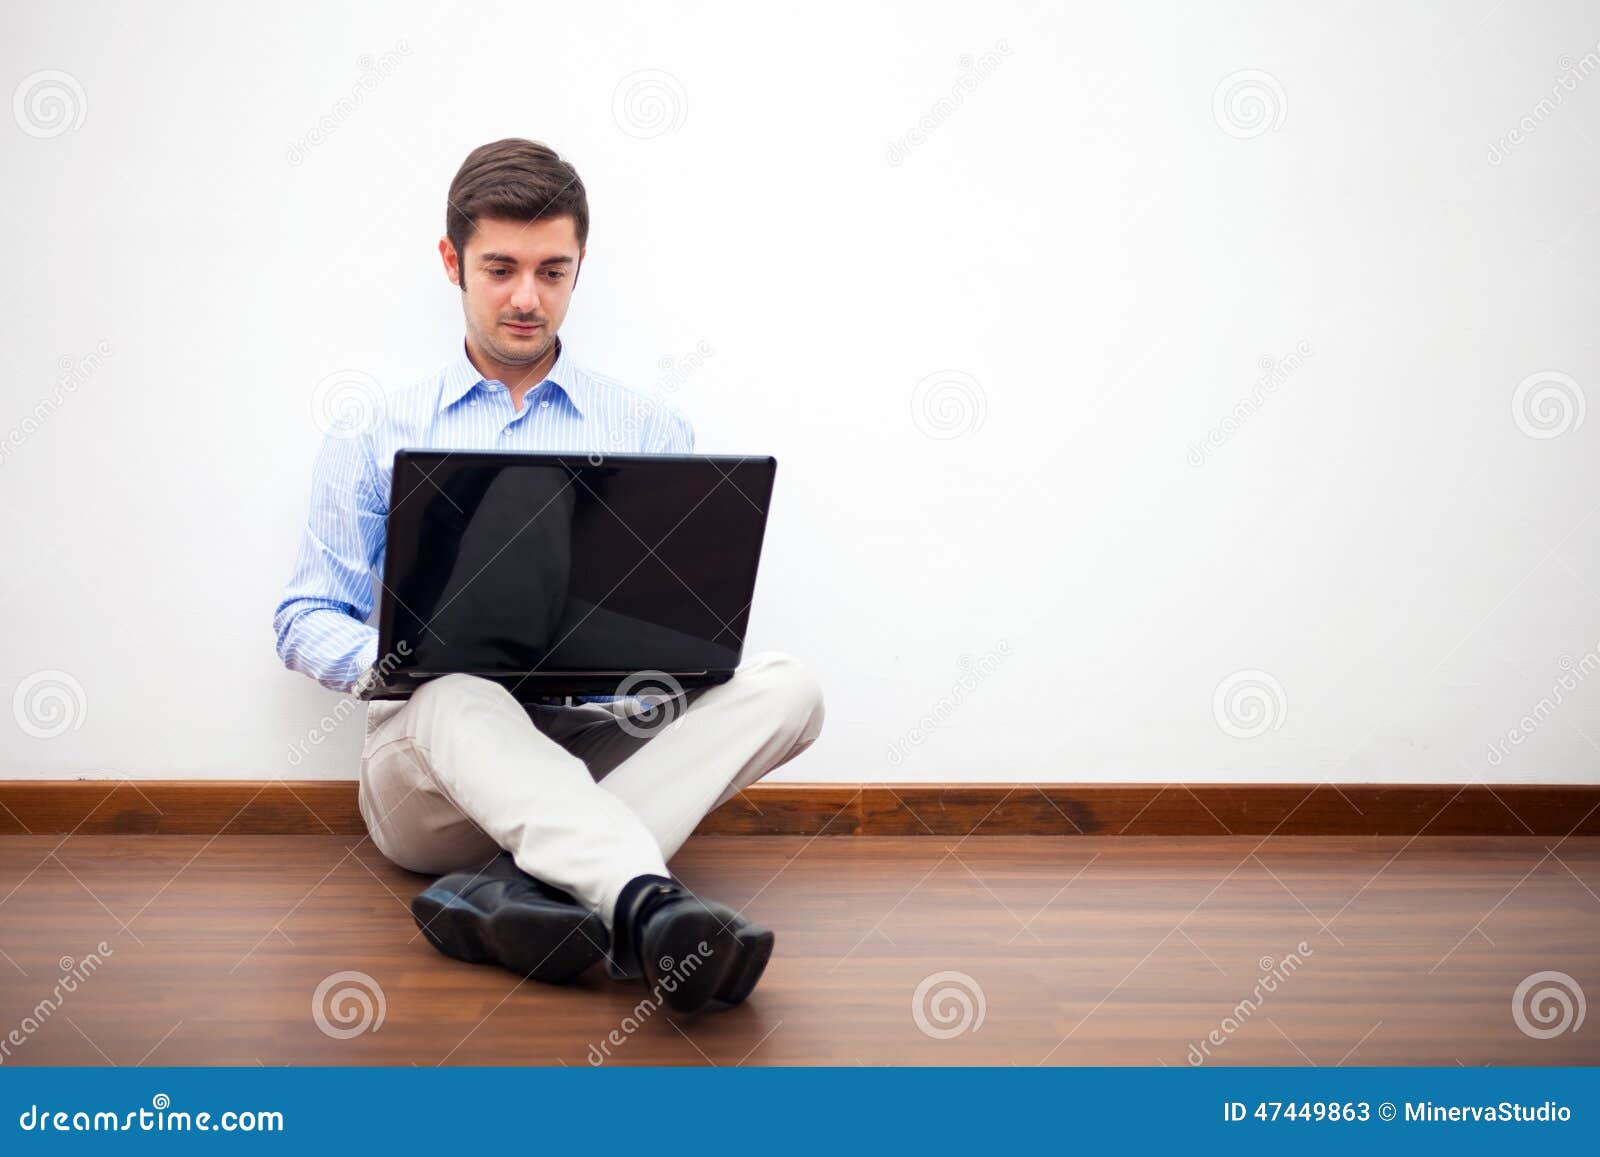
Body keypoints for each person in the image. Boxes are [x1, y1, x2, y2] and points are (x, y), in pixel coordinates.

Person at [272, 138, 825, 1015]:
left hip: (587, 734)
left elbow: (676, 619)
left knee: (790, 687)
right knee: (460, 691)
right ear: (452, 261)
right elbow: (304, 615)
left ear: (579, 268)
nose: (527, 297)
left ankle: (515, 892)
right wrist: (402, 660)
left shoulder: (650, 428)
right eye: (500, 268)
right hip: (431, 771)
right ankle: (647, 902)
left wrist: (673, 656)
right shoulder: (372, 432)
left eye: (552, 270)